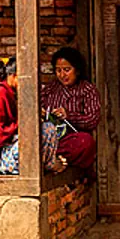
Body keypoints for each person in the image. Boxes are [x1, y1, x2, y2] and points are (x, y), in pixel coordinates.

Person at [39, 47, 100, 177]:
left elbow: (92, 120)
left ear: (77, 70)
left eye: (67, 70)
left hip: (70, 140)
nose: (62, 75)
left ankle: (53, 157)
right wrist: (42, 113)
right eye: (58, 70)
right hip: (52, 138)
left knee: (86, 142)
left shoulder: (87, 90)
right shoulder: (50, 89)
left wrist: (69, 115)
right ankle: (51, 157)